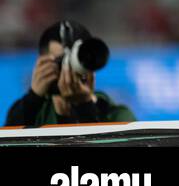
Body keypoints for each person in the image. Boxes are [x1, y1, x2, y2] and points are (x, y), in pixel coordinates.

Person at [4, 21, 135, 128]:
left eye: (75, 59)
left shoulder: (116, 116)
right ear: (41, 66)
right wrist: (33, 98)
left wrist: (85, 107)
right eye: (60, 61)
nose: (69, 69)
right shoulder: (32, 113)